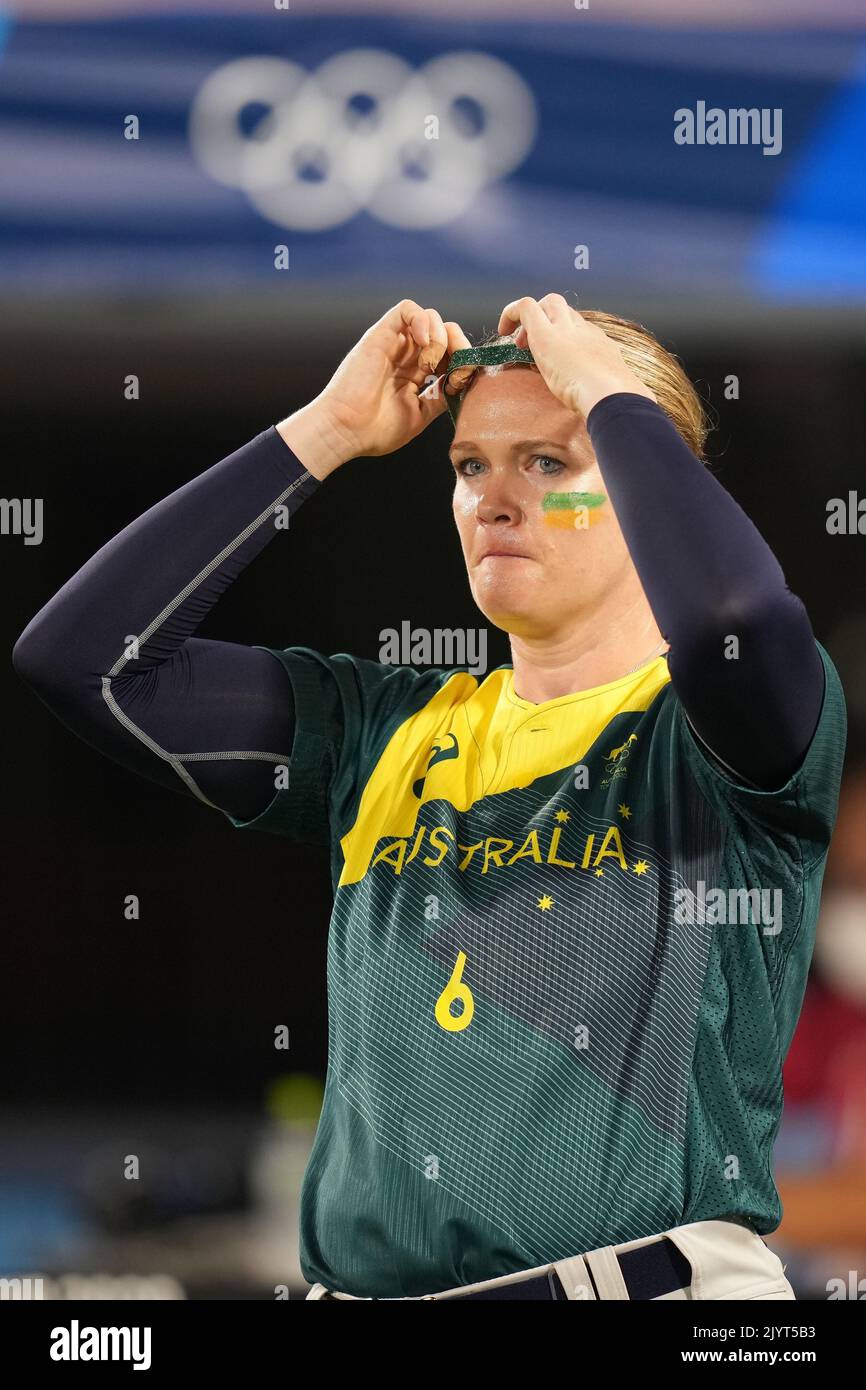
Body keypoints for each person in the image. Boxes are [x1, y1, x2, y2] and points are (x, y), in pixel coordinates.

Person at [13, 295, 846, 1301]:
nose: (494, 498)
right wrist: (324, 431)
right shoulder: (380, 729)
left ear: (641, 482)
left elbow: (732, 612)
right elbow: (83, 662)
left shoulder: (716, 729)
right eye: (468, 465)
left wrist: (611, 396)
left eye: (548, 461)